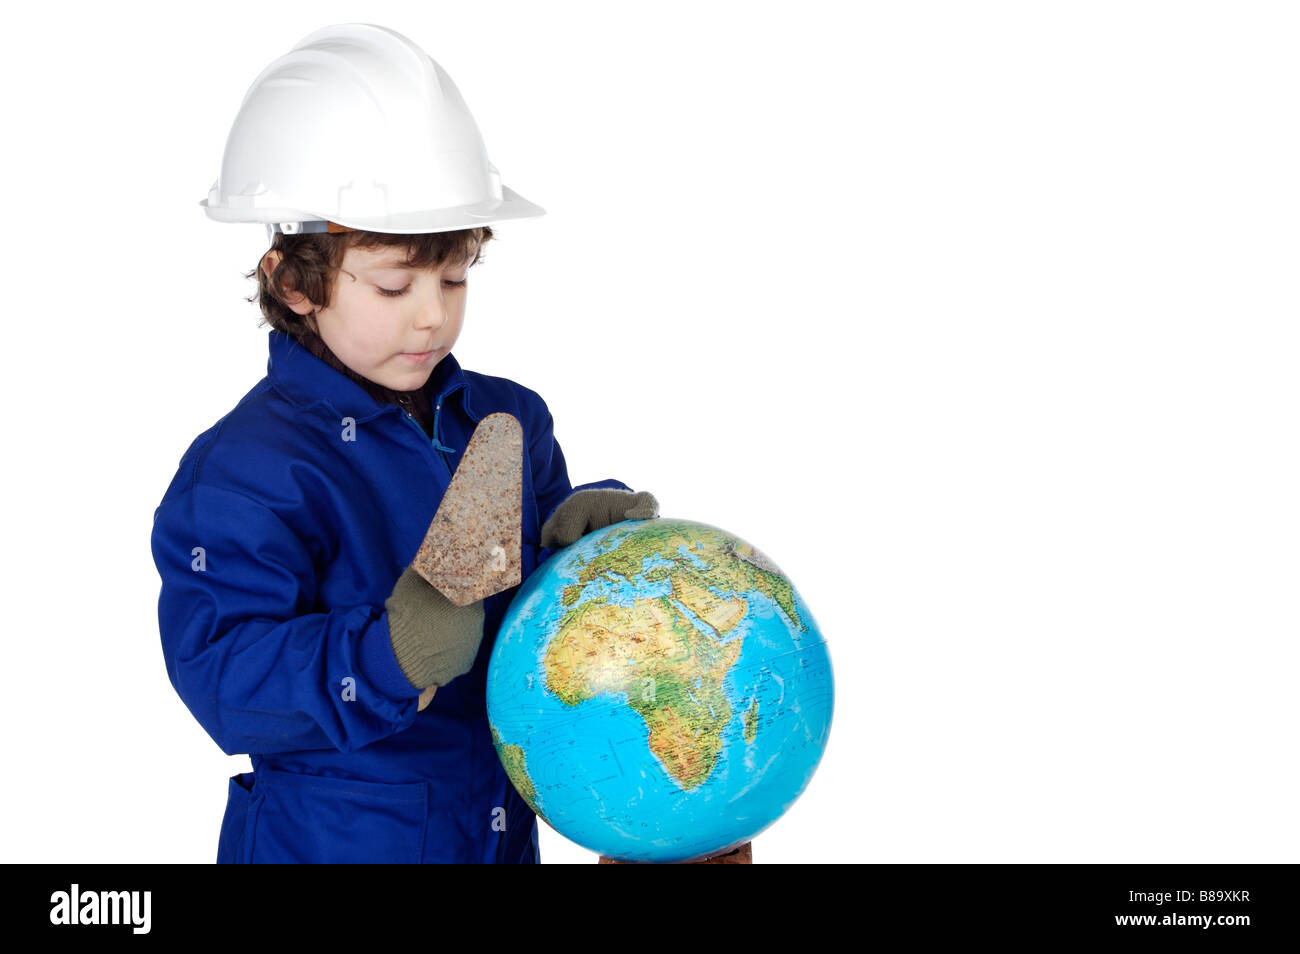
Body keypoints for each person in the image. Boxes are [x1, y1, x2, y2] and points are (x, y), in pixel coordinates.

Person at [150, 22, 658, 863]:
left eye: (454, 277)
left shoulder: (503, 421)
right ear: (296, 283)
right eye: (395, 283)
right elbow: (224, 679)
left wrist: (571, 564)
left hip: (493, 830)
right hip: (333, 841)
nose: (433, 313)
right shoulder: (247, 472)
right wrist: (382, 657)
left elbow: (520, 638)